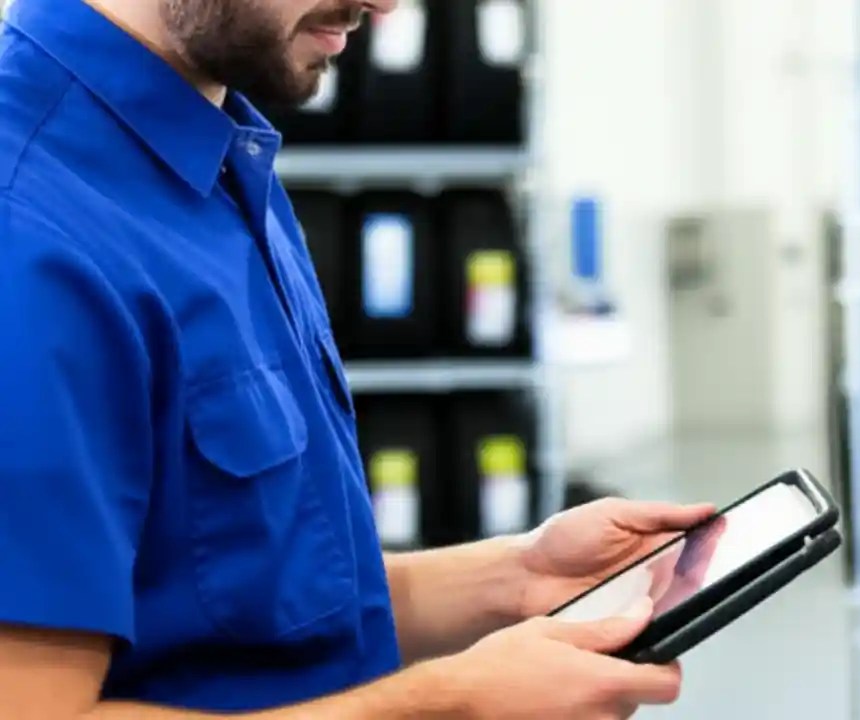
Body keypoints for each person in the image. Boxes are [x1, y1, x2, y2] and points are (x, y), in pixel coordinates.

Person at [0, 0, 717, 717]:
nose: (386, 3)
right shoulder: (29, 234)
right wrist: (454, 703)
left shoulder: (217, 159)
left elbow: (254, 609)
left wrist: (518, 575)